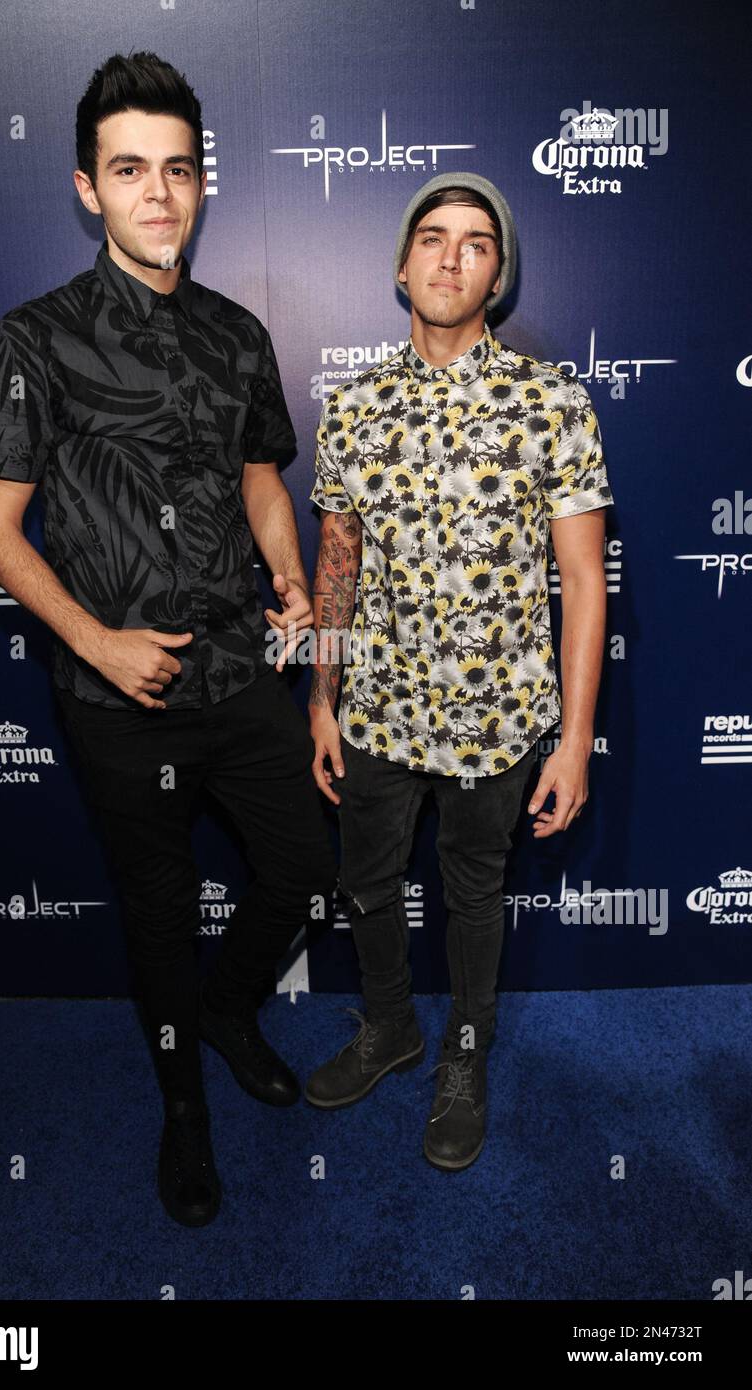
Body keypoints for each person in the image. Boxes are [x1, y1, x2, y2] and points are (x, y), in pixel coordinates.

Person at [0, 51, 336, 1226]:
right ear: (89, 188)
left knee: (303, 866)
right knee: (159, 915)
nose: (159, 194)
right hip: (117, 695)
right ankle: (184, 1108)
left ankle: (232, 1010)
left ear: (200, 184)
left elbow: (262, 478)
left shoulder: (235, 333)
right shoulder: (35, 336)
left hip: (237, 670)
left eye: (177, 170)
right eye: (132, 170)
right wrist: (99, 641)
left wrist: (284, 562)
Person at [305, 172, 614, 1171]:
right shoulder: (351, 409)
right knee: (365, 880)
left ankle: (464, 1059)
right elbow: (337, 566)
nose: (449, 255)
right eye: (431, 238)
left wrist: (572, 738)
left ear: (497, 273)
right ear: (401, 265)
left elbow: (581, 579)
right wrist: (322, 698)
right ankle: (390, 1028)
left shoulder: (552, 403)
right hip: (379, 710)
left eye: (474, 242)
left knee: (474, 895)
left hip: (497, 722)